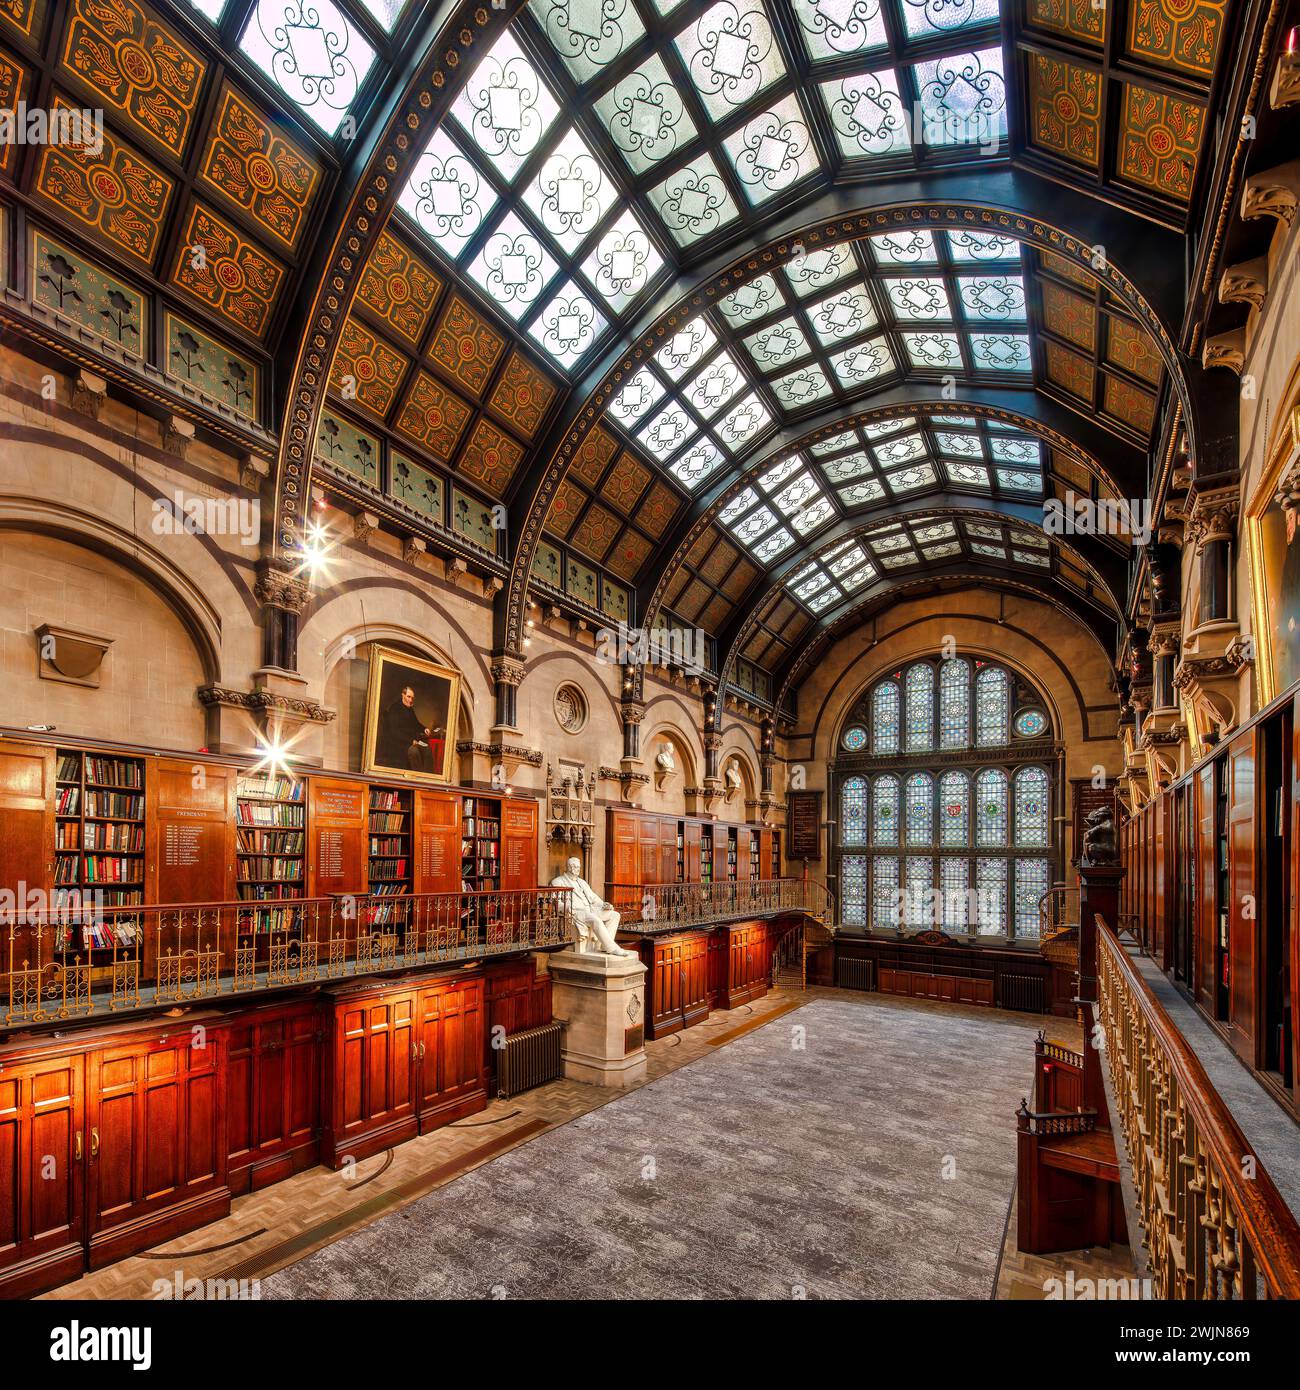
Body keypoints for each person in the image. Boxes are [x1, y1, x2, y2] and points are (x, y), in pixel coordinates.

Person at [549, 856, 636, 957]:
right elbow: (556, 904)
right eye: (575, 867)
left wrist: (603, 904)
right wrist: (568, 907)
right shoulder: (558, 882)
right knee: (596, 920)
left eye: (579, 867)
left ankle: (604, 946)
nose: (578, 869)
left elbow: (594, 898)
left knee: (614, 915)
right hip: (577, 912)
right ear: (569, 867)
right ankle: (612, 948)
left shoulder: (582, 882)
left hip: (590, 910)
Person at [380, 684, 444, 773]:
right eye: (408, 697)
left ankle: (427, 777)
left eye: (412, 698)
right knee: (414, 752)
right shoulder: (395, 709)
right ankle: (417, 778)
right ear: (403, 695)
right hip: (398, 743)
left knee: (428, 749)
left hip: (412, 741)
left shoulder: (410, 709)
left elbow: (416, 724)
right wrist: (410, 741)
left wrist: (424, 728)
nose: (410, 700)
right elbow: (394, 732)